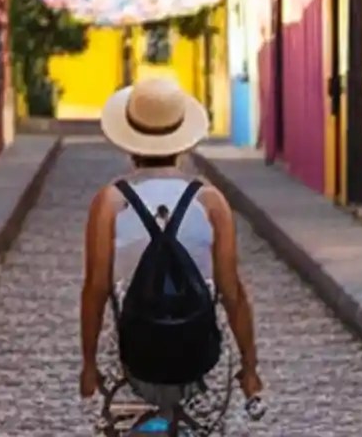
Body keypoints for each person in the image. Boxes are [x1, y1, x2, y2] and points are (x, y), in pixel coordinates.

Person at [79, 76, 262, 407]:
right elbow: (232, 291)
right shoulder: (210, 201)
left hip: (131, 353)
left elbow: (96, 289)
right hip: (198, 354)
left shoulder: (110, 203)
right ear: (182, 143)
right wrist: (249, 368)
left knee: (120, 419)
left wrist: (89, 365)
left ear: (129, 142)